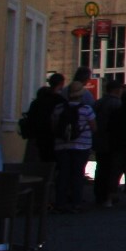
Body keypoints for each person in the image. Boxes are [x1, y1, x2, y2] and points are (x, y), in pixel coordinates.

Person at [91, 80, 126, 208]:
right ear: (117, 90)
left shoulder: (98, 102)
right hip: (114, 143)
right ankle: (111, 195)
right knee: (116, 170)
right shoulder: (118, 104)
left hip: (99, 141)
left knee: (101, 168)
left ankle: (101, 195)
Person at [51, 79, 96, 213]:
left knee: (63, 174)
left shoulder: (58, 109)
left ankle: (60, 203)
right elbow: (94, 127)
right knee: (77, 174)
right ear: (81, 95)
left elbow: (53, 127)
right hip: (82, 146)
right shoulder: (86, 109)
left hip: (62, 146)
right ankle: (76, 203)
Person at [21, 72, 66, 165]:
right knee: (52, 164)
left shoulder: (36, 102)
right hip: (52, 137)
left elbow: (30, 118)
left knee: (38, 162)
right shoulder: (60, 101)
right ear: (61, 84)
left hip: (37, 137)